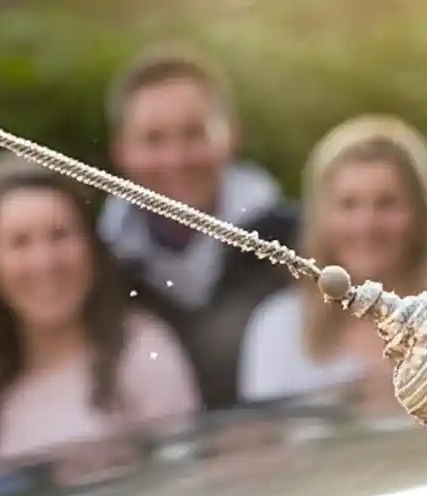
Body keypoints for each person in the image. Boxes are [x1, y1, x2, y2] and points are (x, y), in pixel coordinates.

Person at [0, 155, 200, 480]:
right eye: (19, 242)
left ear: (90, 246)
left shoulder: (143, 352)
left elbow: (182, 488)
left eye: (59, 235)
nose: (44, 262)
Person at [98, 46, 299, 411]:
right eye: (153, 140)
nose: (176, 159)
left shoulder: (298, 246)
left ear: (231, 137)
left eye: (194, 134)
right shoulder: (99, 273)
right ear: (122, 152)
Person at [239, 116, 427, 408]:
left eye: (386, 203)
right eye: (348, 204)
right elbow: (267, 446)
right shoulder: (277, 328)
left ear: (421, 215)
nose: (366, 225)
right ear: (321, 218)